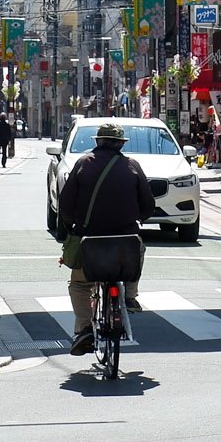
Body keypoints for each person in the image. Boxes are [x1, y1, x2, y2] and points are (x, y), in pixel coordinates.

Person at [56, 121, 155, 355]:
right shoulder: (132, 165)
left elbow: (65, 204)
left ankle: (84, 329)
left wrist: (72, 226)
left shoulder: (83, 163)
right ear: (121, 144)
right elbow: (148, 205)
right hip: (126, 239)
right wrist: (138, 218)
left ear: (98, 141)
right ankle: (130, 295)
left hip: (89, 240)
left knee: (80, 285)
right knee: (138, 251)